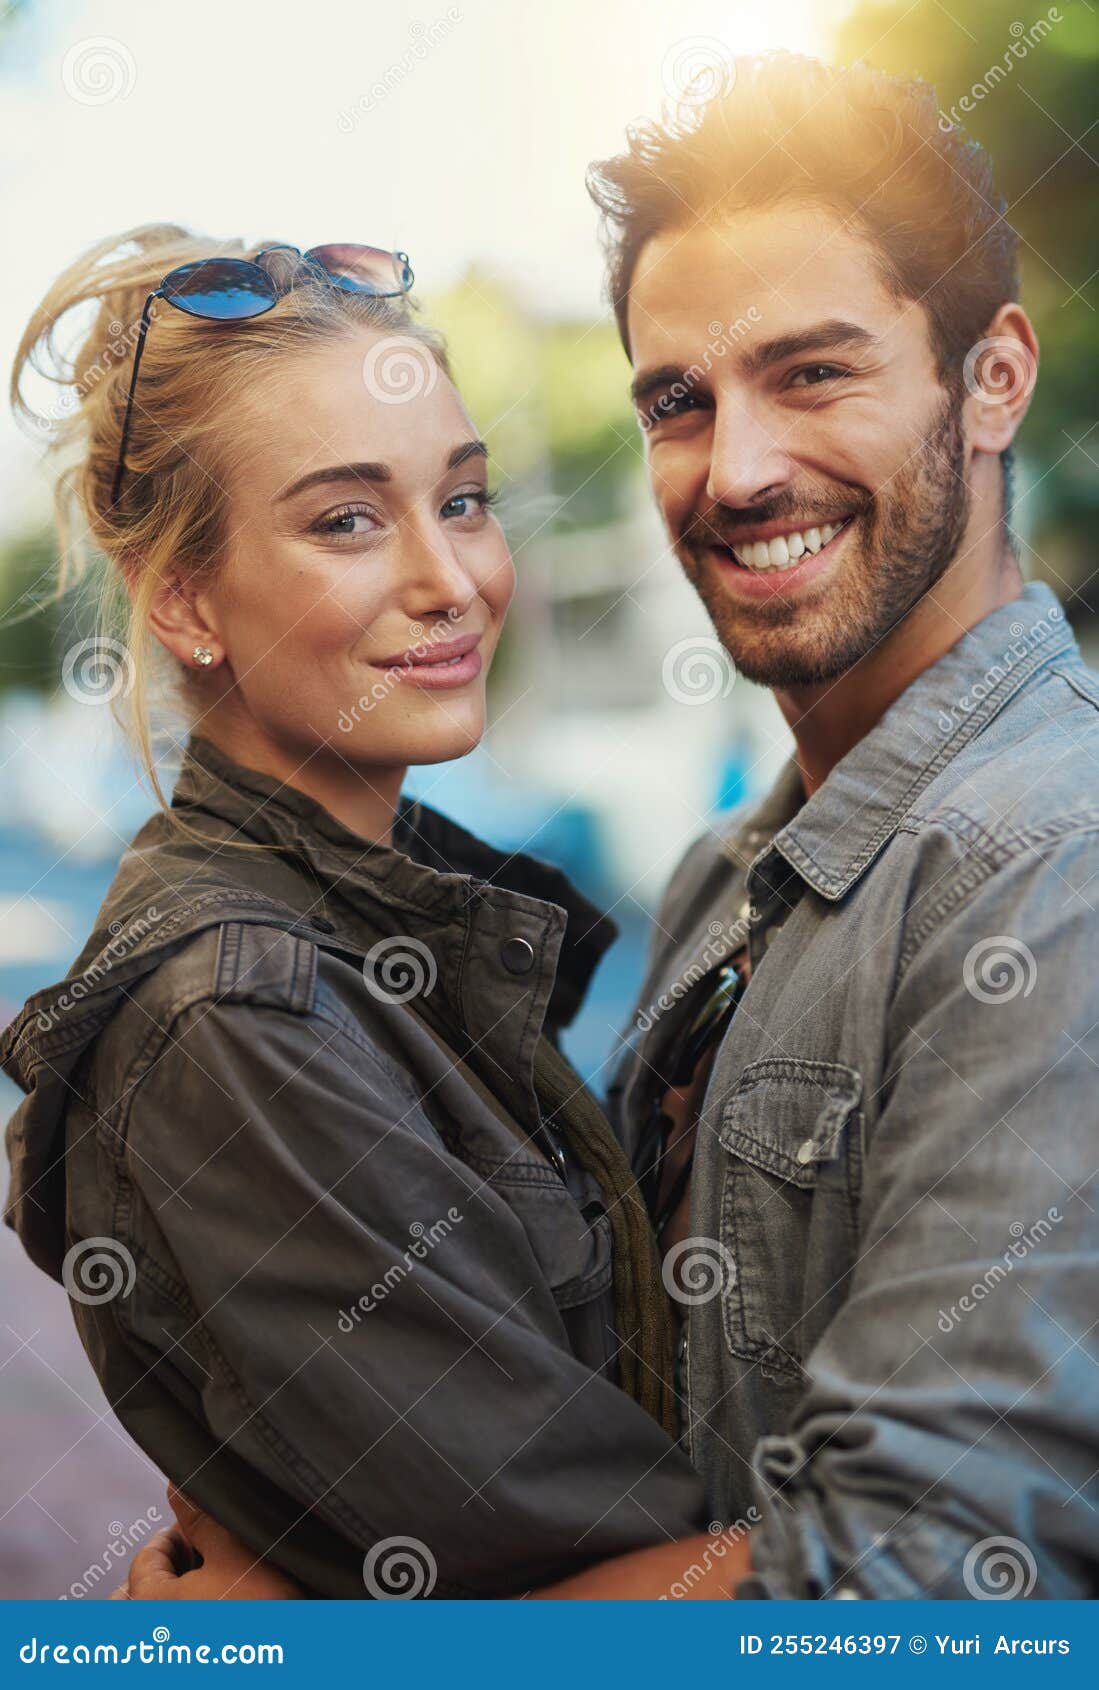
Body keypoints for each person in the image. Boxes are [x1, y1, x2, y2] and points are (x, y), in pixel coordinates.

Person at [120, 52, 1099, 1601]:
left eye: (816, 371)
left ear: (994, 376)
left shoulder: (1055, 872)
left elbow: (912, 1599)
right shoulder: (734, 875)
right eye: (677, 400)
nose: (741, 466)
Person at [1, 225, 718, 1599]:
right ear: (188, 600)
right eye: (346, 519)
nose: (451, 578)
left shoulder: (388, 921)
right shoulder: (239, 1007)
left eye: (462, 499)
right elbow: (617, 1582)